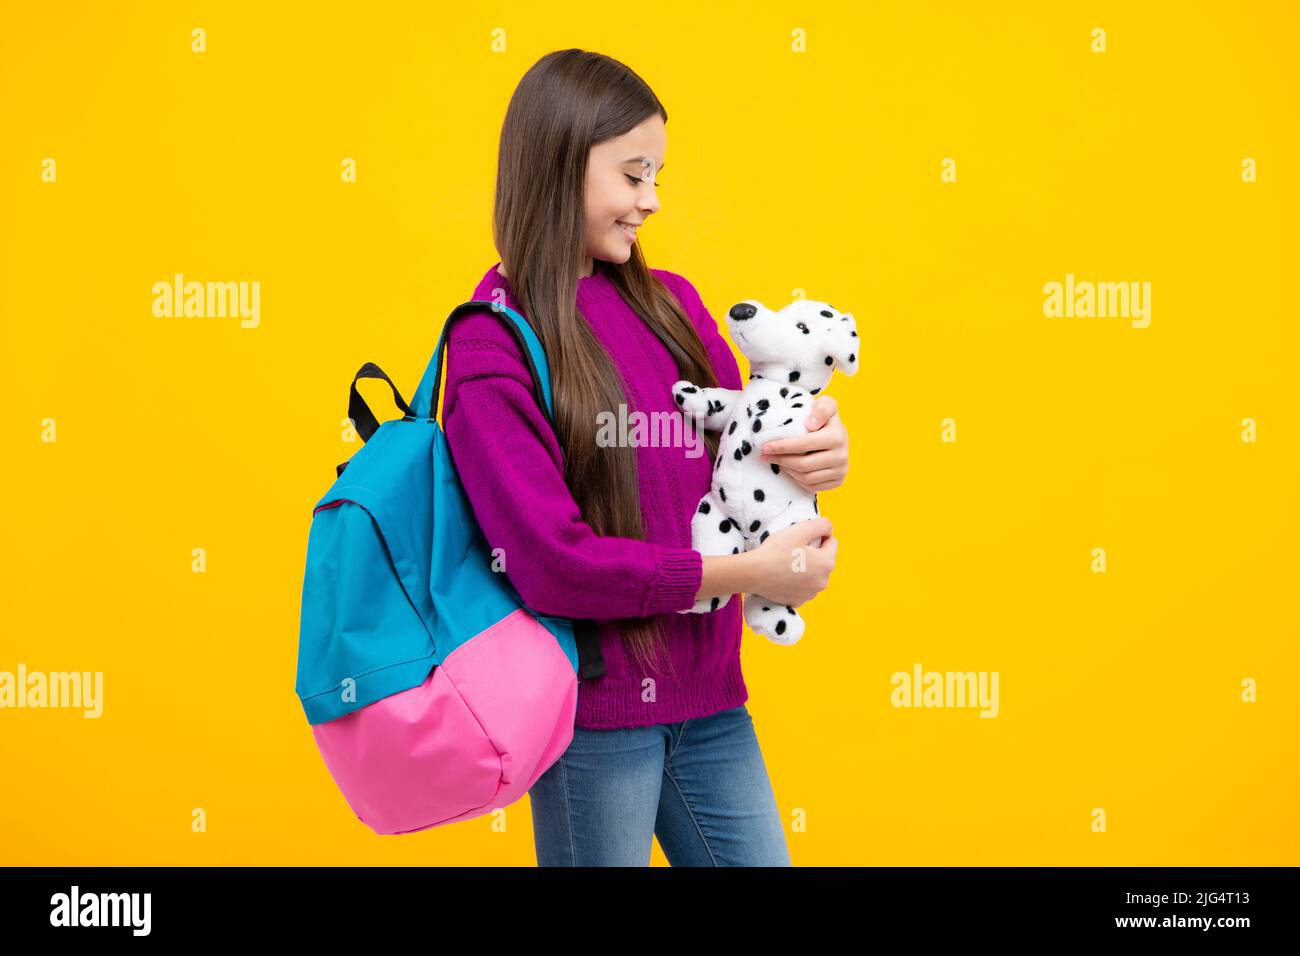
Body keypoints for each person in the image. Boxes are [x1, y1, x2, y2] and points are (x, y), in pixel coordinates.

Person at [441, 49, 850, 866]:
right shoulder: (492, 344)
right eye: (633, 176)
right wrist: (749, 578)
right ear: (560, 166)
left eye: (657, 176)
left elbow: (745, 465)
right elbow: (555, 565)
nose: (651, 202)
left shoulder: (675, 307)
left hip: (713, 708)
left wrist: (815, 450)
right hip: (593, 727)